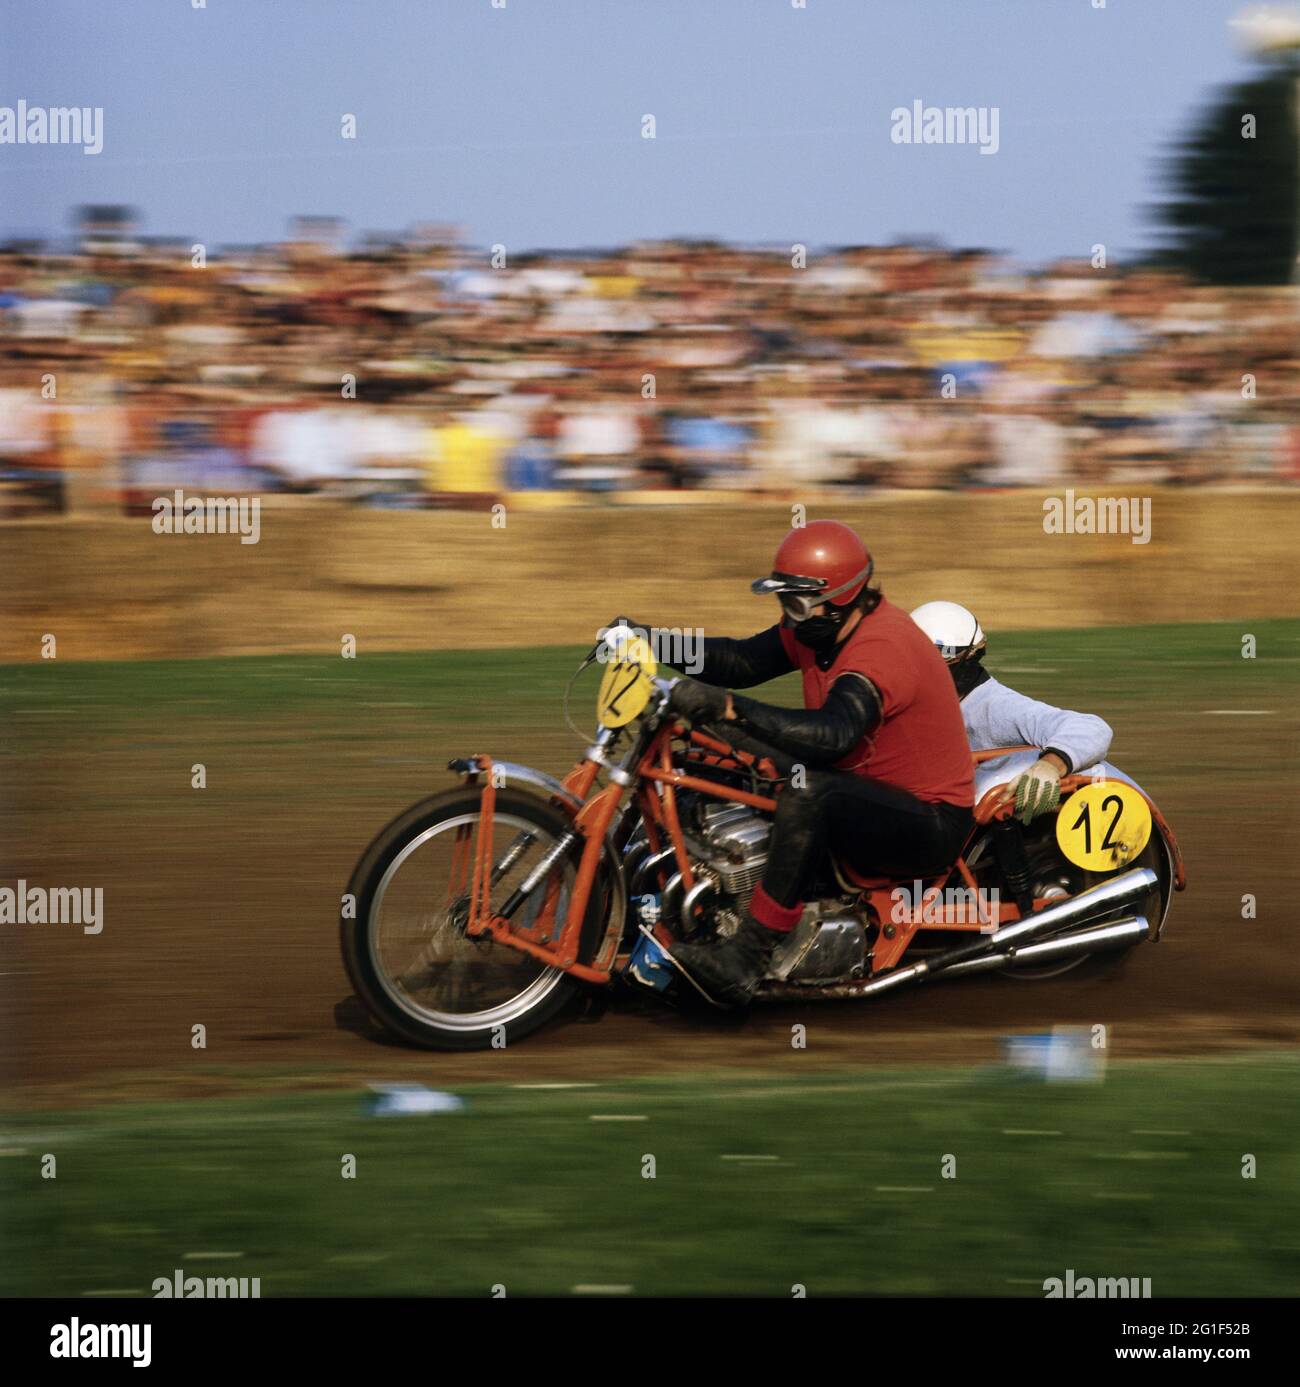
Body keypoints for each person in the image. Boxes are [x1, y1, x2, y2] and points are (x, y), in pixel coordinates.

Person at [658, 520, 974, 1005]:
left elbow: (833, 734)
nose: (788, 615)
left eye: (796, 602)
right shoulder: (819, 629)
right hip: (861, 789)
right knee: (711, 746)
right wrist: (651, 643)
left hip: (925, 820)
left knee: (809, 792)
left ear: (841, 598)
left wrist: (728, 707)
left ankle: (746, 960)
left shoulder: (883, 645)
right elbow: (742, 661)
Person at [908, 601, 1112, 823]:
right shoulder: (909, 701)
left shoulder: (995, 706)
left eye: (930, 661)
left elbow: (1092, 728)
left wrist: (1050, 765)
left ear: (965, 661)